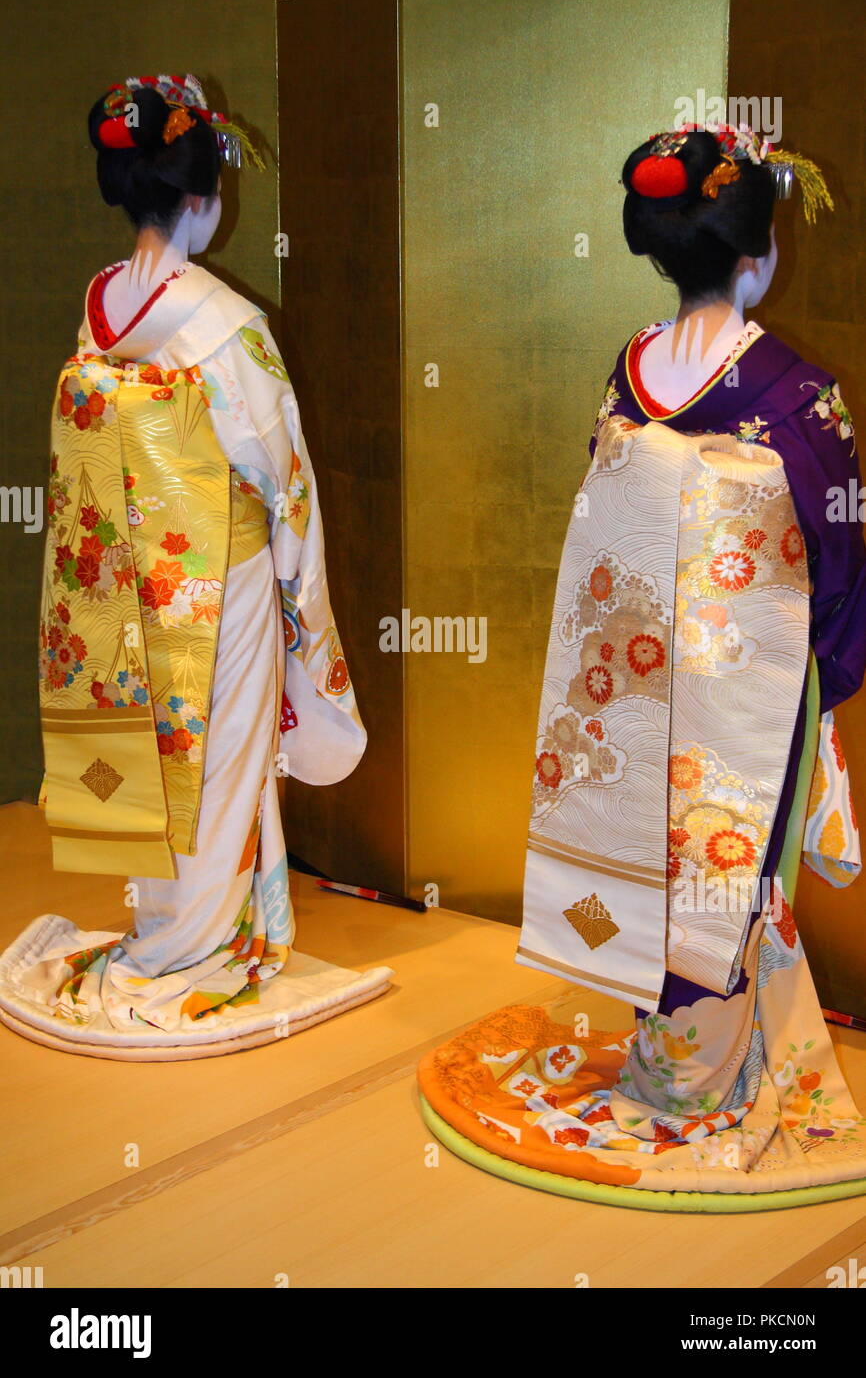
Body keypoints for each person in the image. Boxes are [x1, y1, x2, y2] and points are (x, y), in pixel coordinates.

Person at [418, 122, 866, 1202]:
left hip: (630, 676)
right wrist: (830, 662)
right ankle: (705, 1080)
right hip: (740, 688)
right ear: (754, 257)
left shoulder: (625, 377)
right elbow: (840, 547)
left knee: (650, 856)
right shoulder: (797, 397)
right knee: (726, 862)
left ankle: (664, 1052)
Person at [0, 74, 392, 1059]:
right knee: (218, 762)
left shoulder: (102, 303)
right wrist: (302, 582)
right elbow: (280, 470)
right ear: (203, 199)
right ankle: (198, 945)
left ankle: (168, 923)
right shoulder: (223, 322)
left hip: (127, 569)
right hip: (219, 571)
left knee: (151, 754)